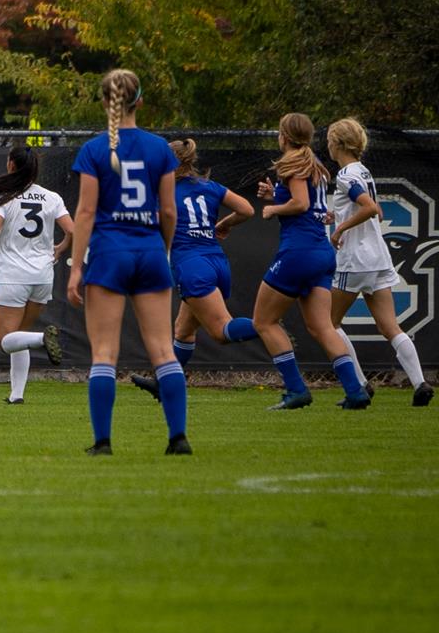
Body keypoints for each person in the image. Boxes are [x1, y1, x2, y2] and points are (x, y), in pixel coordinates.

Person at [64, 69, 191, 455]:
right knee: (163, 350)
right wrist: (162, 247)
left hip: (109, 253)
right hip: (150, 250)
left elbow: (85, 213)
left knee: (104, 352)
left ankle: (102, 442)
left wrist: (75, 268)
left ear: (106, 103)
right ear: (140, 101)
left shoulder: (95, 149)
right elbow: (169, 211)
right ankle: (178, 438)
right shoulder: (159, 149)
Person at [252, 113, 371, 410]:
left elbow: (301, 203)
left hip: (298, 252)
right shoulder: (313, 163)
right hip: (321, 252)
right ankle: (355, 391)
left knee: (263, 321)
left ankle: (295, 390)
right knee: (322, 327)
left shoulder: (292, 163)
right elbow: (306, 203)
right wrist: (275, 195)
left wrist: (272, 209)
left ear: (285, 136)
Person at [130, 138, 261, 397]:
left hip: (191, 266)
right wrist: (224, 224)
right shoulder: (209, 186)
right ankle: (163, 384)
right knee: (183, 330)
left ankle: (266, 326)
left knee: (222, 331)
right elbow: (246, 210)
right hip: (216, 262)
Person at [324, 117, 429, 406]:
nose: (328, 146)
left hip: (354, 260)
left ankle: (360, 385)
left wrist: (342, 228)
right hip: (378, 259)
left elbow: (369, 207)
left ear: (337, 144)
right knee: (390, 327)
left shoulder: (345, 175)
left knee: (329, 323)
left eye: (330, 141)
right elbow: (374, 208)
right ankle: (420, 383)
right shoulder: (363, 171)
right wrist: (342, 217)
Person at [0, 146, 71, 403]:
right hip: (43, 276)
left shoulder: (4, 196)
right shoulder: (51, 197)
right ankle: (16, 395)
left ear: (11, 165)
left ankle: (42, 338)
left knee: (5, 340)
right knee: (18, 337)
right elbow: (75, 229)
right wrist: (61, 248)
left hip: (13, 275)